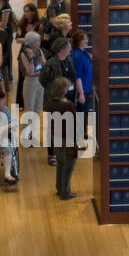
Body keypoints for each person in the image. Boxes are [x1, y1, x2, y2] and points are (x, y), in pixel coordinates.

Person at [40, 34, 77, 165]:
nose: (70, 48)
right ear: (62, 48)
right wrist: (53, 91)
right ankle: (51, 154)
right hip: (55, 100)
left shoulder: (69, 60)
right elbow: (42, 79)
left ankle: (65, 150)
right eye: (68, 46)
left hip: (69, 99)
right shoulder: (51, 62)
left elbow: (74, 76)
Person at [45, 77, 79, 200]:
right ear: (63, 90)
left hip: (55, 136)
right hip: (67, 137)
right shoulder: (68, 105)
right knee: (69, 164)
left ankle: (59, 188)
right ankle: (65, 191)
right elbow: (74, 122)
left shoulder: (49, 103)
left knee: (60, 162)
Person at [18, 30, 45, 122]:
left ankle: (34, 133)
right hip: (30, 83)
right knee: (29, 110)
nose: (39, 43)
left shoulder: (39, 51)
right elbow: (30, 72)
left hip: (40, 82)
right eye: (37, 41)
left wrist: (39, 72)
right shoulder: (23, 54)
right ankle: (26, 133)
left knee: (38, 109)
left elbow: (45, 66)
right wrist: (31, 57)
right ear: (31, 42)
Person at [69, 28, 93, 122]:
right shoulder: (76, 56)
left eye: (87, 38)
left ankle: (83, 134)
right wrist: (81, 94)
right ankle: (79, 135)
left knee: (85, 115)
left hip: (87, 88)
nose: (87, 41)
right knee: (81, 116)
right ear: (78, 41)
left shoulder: (84, 53)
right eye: (84, 39)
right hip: (81, 90)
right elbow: (77, 77)